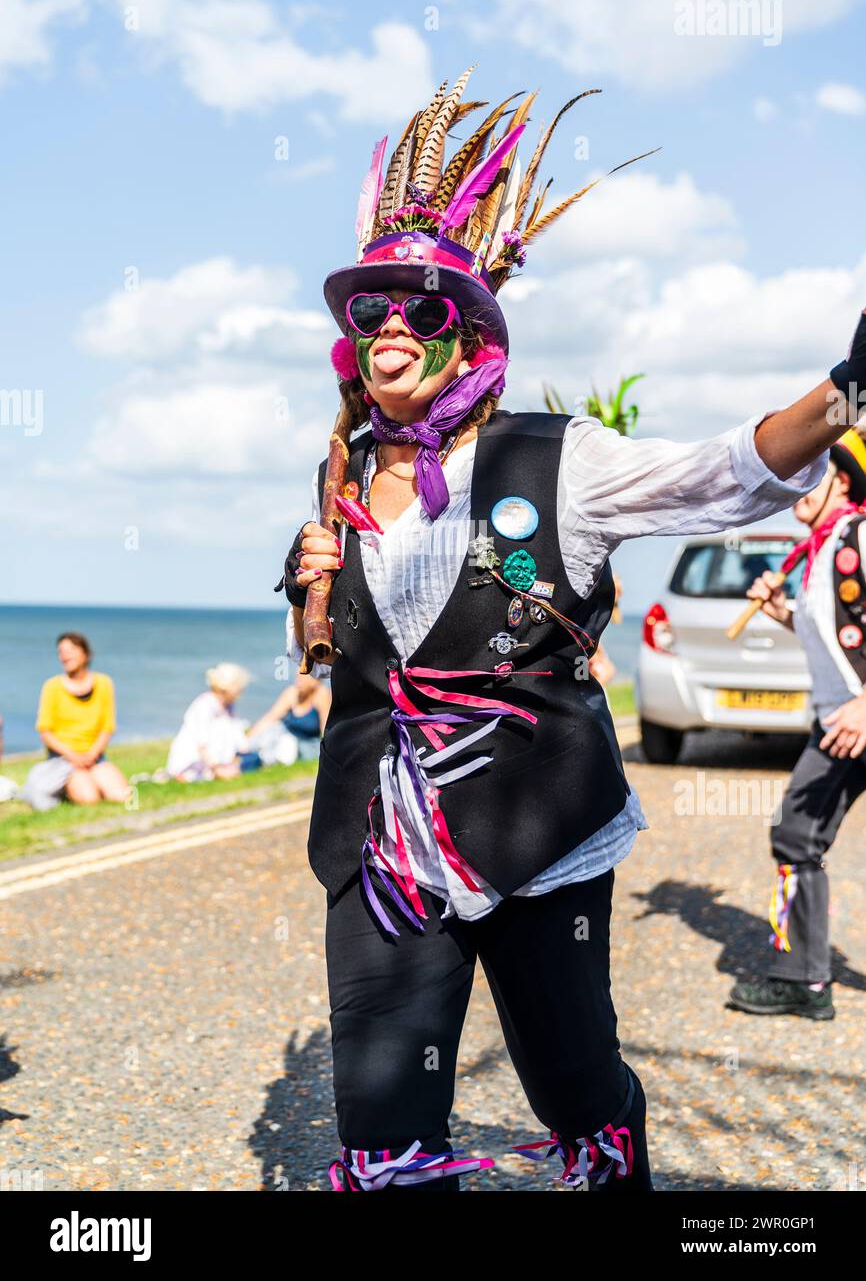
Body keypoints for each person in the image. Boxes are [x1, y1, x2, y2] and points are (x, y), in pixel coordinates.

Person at [277, 68, 864, 1192]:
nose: (390, 325)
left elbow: (721, 476)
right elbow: (340, 650)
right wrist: (311, 586)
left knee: (574, 1081)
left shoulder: (561, 460)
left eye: (422, 308)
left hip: (535, 827)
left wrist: (846, 392)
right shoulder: (338, 469)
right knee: (382, 1116)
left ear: (472, 334)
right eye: (370, 309)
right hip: (383, 839)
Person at [729, 427, 866, 1022]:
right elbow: (837, 637)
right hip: (838, 722)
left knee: (795, 837)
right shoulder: (819, 548)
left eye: (814, 474)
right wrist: (786, 614)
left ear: (842, 478)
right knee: (795, 837)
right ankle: (804, 980)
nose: (799, 489)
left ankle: (803, 978)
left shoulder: (858, 535)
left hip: (856, 718)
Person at [34, 632, 129, 805]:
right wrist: (74, 757)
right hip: (64, 760)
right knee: (90, 798)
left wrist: (92, 755)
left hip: (96, 757)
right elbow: (45, 732)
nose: (65, 654)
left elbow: (107, 727)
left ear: (86, 654)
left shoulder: (104, 683)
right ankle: (67, 790)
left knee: (126, 797)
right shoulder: (52, 686)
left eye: (70, 649)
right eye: (61, 651)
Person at [167, 663, 259, 781]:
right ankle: (210, 772)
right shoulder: (205, 704)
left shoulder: (228, 706)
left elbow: (238, 737)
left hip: (216, 758)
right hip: (196, 760)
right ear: (229, 687)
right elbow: (201, 743)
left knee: (253, 758)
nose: (241, 691)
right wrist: (216, 768)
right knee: (223, 726)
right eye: (239, 687)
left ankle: (228, 767)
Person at [247, 672, 330, 756]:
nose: (297, 681)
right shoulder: (292, 692)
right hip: (284, 738)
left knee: (284, 747)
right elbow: (270, 718)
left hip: (306, 745)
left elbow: (326, 728)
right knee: (267, 738)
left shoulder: (321, 694)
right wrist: (249, 737)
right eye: (297, 678)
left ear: (314, 680)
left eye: (301, 678)